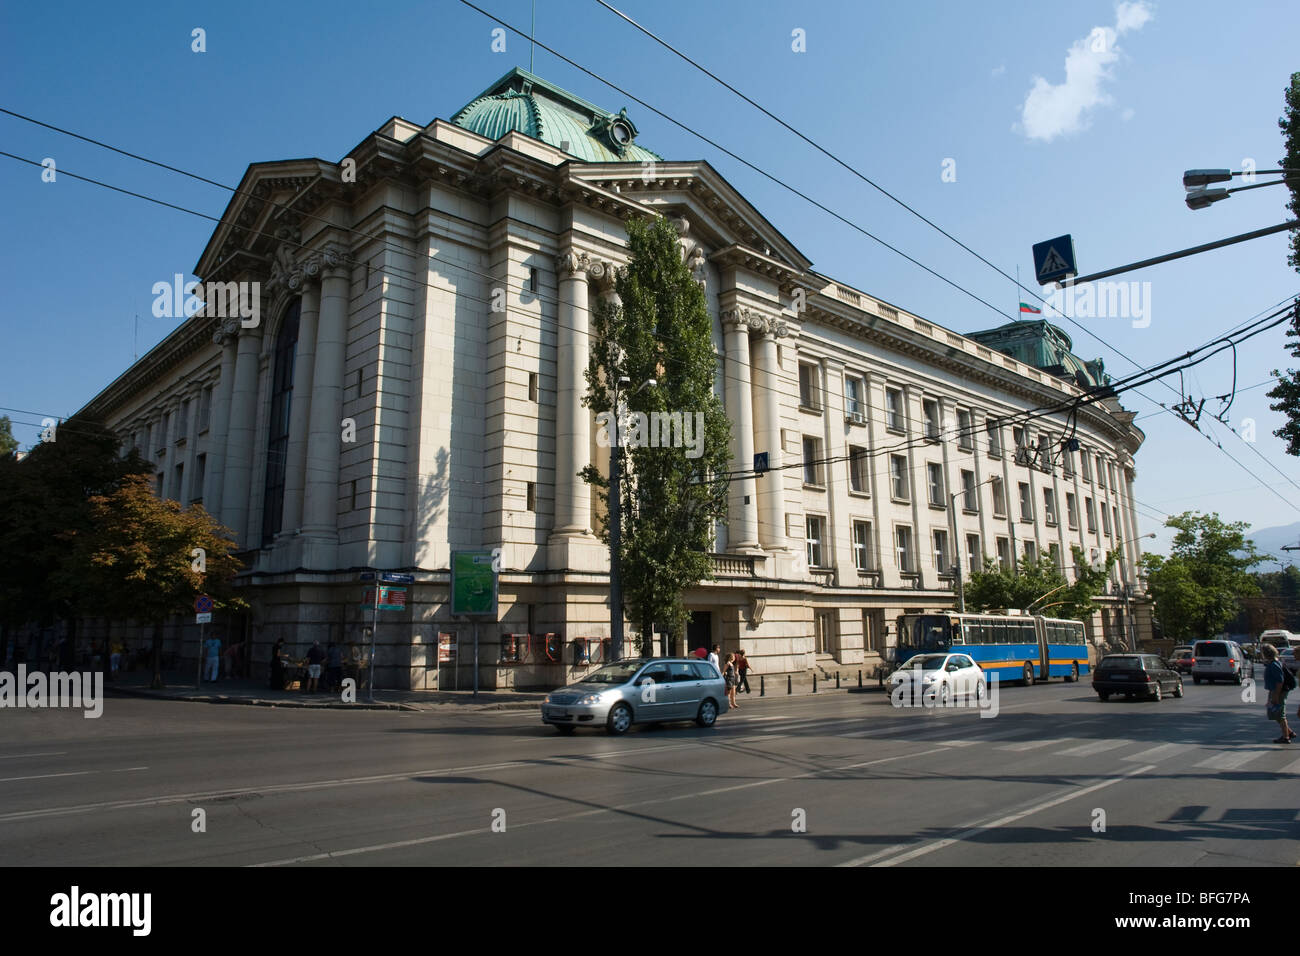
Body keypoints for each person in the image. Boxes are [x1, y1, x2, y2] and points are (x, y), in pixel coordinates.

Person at [1261, 643, 1295, 744]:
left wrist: (1275, 695)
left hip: (1278, 692)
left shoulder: (1274, 665)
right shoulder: (1273, 663)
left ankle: (1286, 737)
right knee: (1274, 714)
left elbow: (1280, 681)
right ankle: (1289, 733)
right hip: (1274, 691)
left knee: (1280, 714)